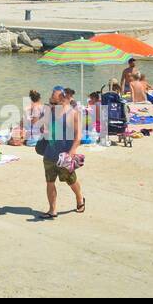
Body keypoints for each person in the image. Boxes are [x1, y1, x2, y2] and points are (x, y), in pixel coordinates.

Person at [40, 87, 84, 218]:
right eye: (51, 102)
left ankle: (80, 198)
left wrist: (71, 153)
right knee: (50, 181)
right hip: (49, 154)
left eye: (55, 102)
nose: (52, 105)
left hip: (64, 155)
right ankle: (52, 210)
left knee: (71, 180)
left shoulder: (73, 114)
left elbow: (78, 138)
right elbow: (44, 128)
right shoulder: (50, 112)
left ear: (63, 99)